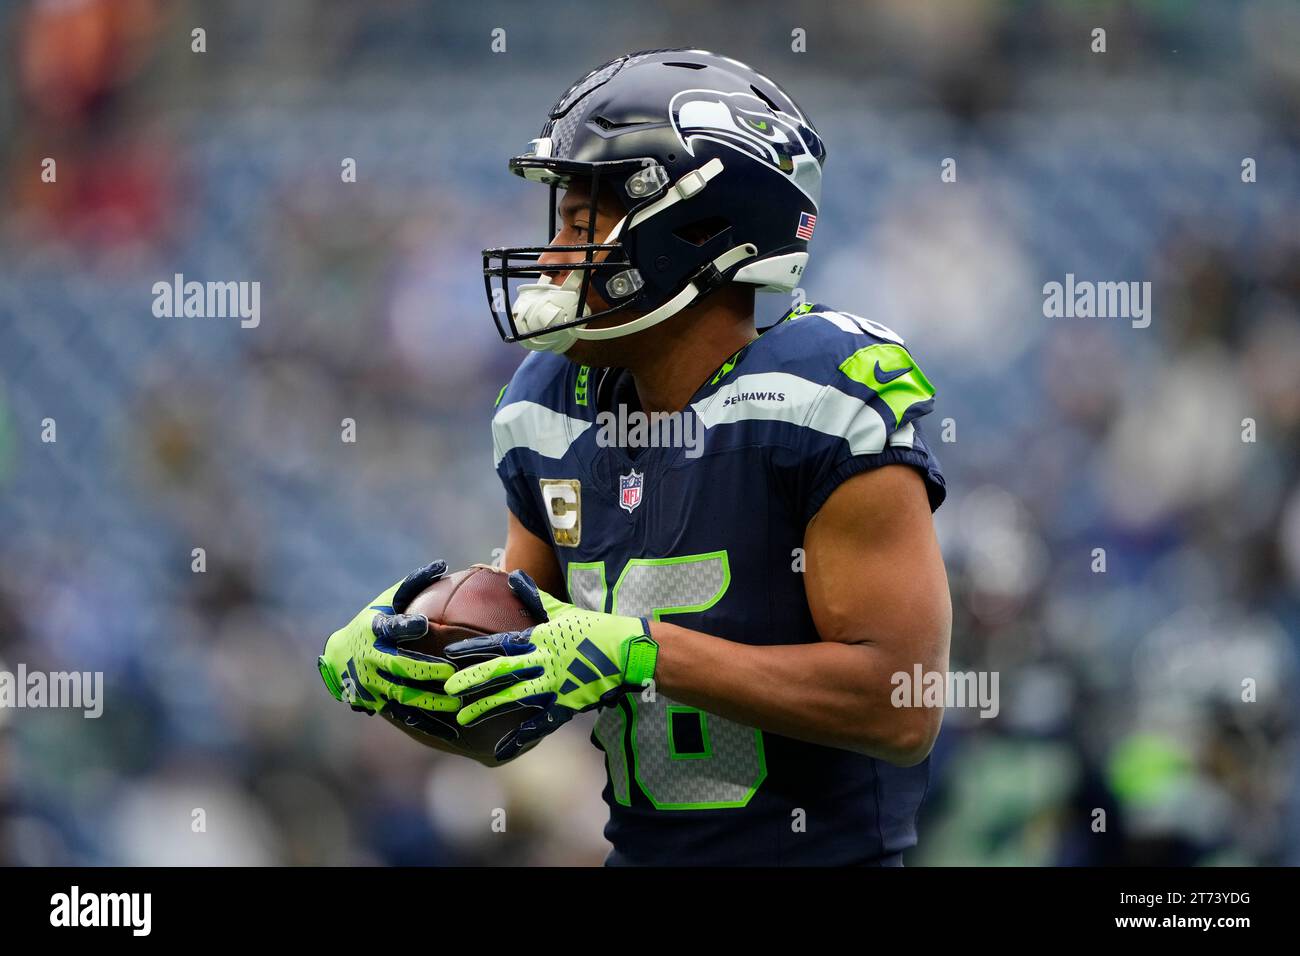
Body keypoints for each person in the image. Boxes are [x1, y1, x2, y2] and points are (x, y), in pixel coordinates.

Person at [319, 49, 951, 866]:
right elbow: (513, 706)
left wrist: (642, 651)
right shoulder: (549, 404)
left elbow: (903, 709)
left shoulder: (819, 393)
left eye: (584, 226)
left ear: (700, 229)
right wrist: (411, 658)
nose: (552, 257)